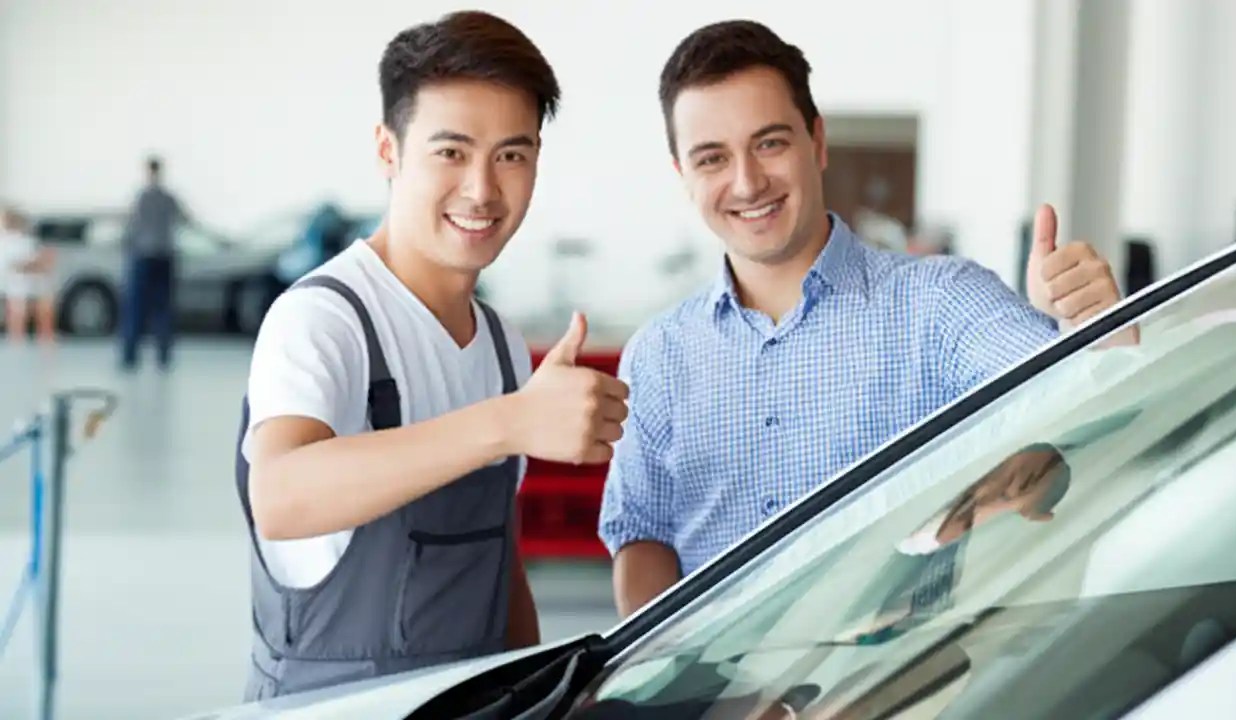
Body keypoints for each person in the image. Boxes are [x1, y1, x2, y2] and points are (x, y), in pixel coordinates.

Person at [600, 19, 1129, 619]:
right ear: (683, 175)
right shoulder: (658, 352)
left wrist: (1091, 329)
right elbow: (642, 535)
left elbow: (1087, 408)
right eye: (712, 158)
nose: (746, 182)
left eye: (770, 143)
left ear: (817, 143)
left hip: (900, 688)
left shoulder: (938, 303)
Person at [234, 11, 628, 700]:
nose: (482, 189)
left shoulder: (502, 346)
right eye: (451, 152)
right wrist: (509, 423)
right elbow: (281, 496)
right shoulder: (323, 320)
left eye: (512, 154)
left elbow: (501, 575)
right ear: (388, 150)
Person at [119, 155, 190, 369]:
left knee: (136, 306)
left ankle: (130, 355)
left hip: (143, 255)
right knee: (163, 306)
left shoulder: (141, 197)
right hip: (164, 254)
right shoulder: (169, 198)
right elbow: (185, 219)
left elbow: (130, 226)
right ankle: (163, 354)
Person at [1, 206, 57, 344]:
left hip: (20, 285)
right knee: (20, 313)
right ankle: (20, 341)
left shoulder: (16, 240)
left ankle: (18, 341)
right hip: (20, 285)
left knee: (19, 313)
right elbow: (28, 263)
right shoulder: (17, 241)